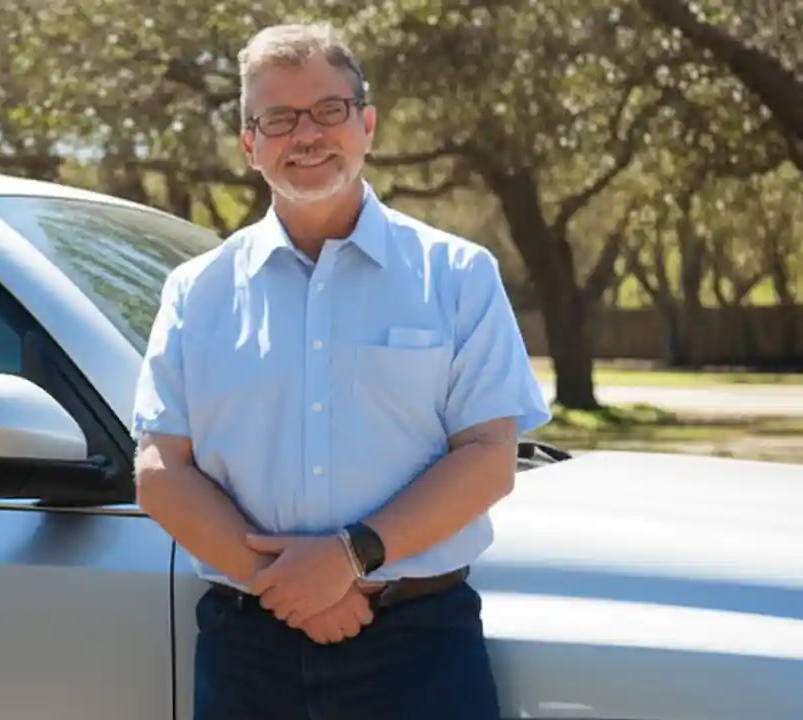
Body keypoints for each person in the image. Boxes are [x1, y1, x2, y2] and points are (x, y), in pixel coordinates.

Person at [131, 22, 552, 720]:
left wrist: (348, 558)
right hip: (247, 653)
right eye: (280, 118)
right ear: (249, 142)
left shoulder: (457, 275)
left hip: (422, 649)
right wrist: (289, 586)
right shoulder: (194, 292)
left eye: (329, 110)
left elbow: (488, 456)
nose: (308, 135)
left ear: (366, 125)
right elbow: (159, 469)